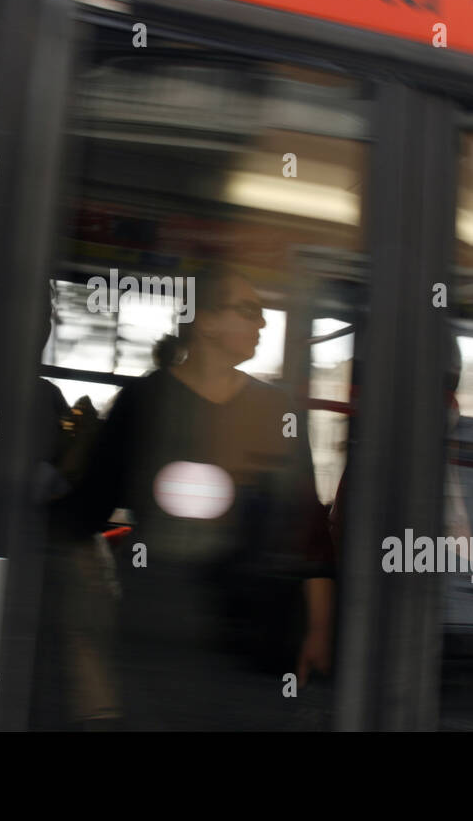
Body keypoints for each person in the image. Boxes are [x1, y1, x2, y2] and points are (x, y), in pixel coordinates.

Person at [62, 264, 335, 730]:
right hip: (162, 629)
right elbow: (83, 512)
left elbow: (307, 526)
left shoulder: (277, 410)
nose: (263, 324)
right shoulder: (143, 403)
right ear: (206, 321)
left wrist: (318, 628)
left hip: (255, 637)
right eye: (250, 311)